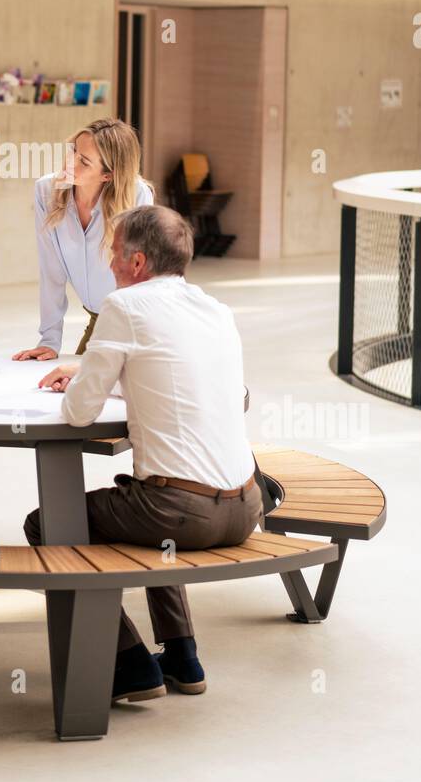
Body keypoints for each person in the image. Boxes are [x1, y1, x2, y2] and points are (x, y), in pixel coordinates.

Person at [26, 204, 262, 704]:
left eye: (113, 252)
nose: (108, 262)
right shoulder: (216, 311)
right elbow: (180, 382)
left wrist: (91, 377)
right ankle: (182, 657)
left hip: (180, 512)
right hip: (245, 508)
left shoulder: (125, 308)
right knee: (150, 502)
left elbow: (79, 413)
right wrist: (101, 372)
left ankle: (128, 662)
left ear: (136, 263)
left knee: (49, 523)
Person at [13, 119, 154, 362]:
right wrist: (50, 340)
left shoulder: (137, 195)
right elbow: (52, 271)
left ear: (108, 175)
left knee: (93, 389)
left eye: (84, 161)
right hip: (99, 318)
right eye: (74, 151)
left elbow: (143, 277)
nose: (70, 162)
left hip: (135, 324)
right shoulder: (47, 191)